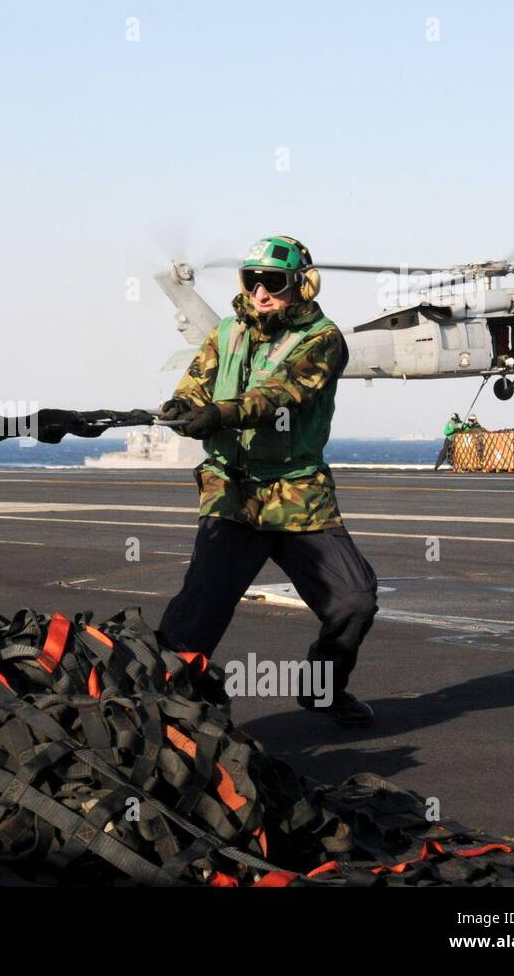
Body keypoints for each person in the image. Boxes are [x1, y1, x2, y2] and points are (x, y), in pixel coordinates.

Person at [157, 236, 378, 727]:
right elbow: (196, 382)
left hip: (297, 490)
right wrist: (184, 406)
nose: (260, 292)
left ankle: (323, 688)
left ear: (302, 284)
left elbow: (278, 395)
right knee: (198, 611)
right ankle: (158, 706)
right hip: (233, 491)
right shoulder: (225, 334)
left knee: (354, 599)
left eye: (272, 282)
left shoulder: (323, 339)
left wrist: (219, 413)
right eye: (251, 281)